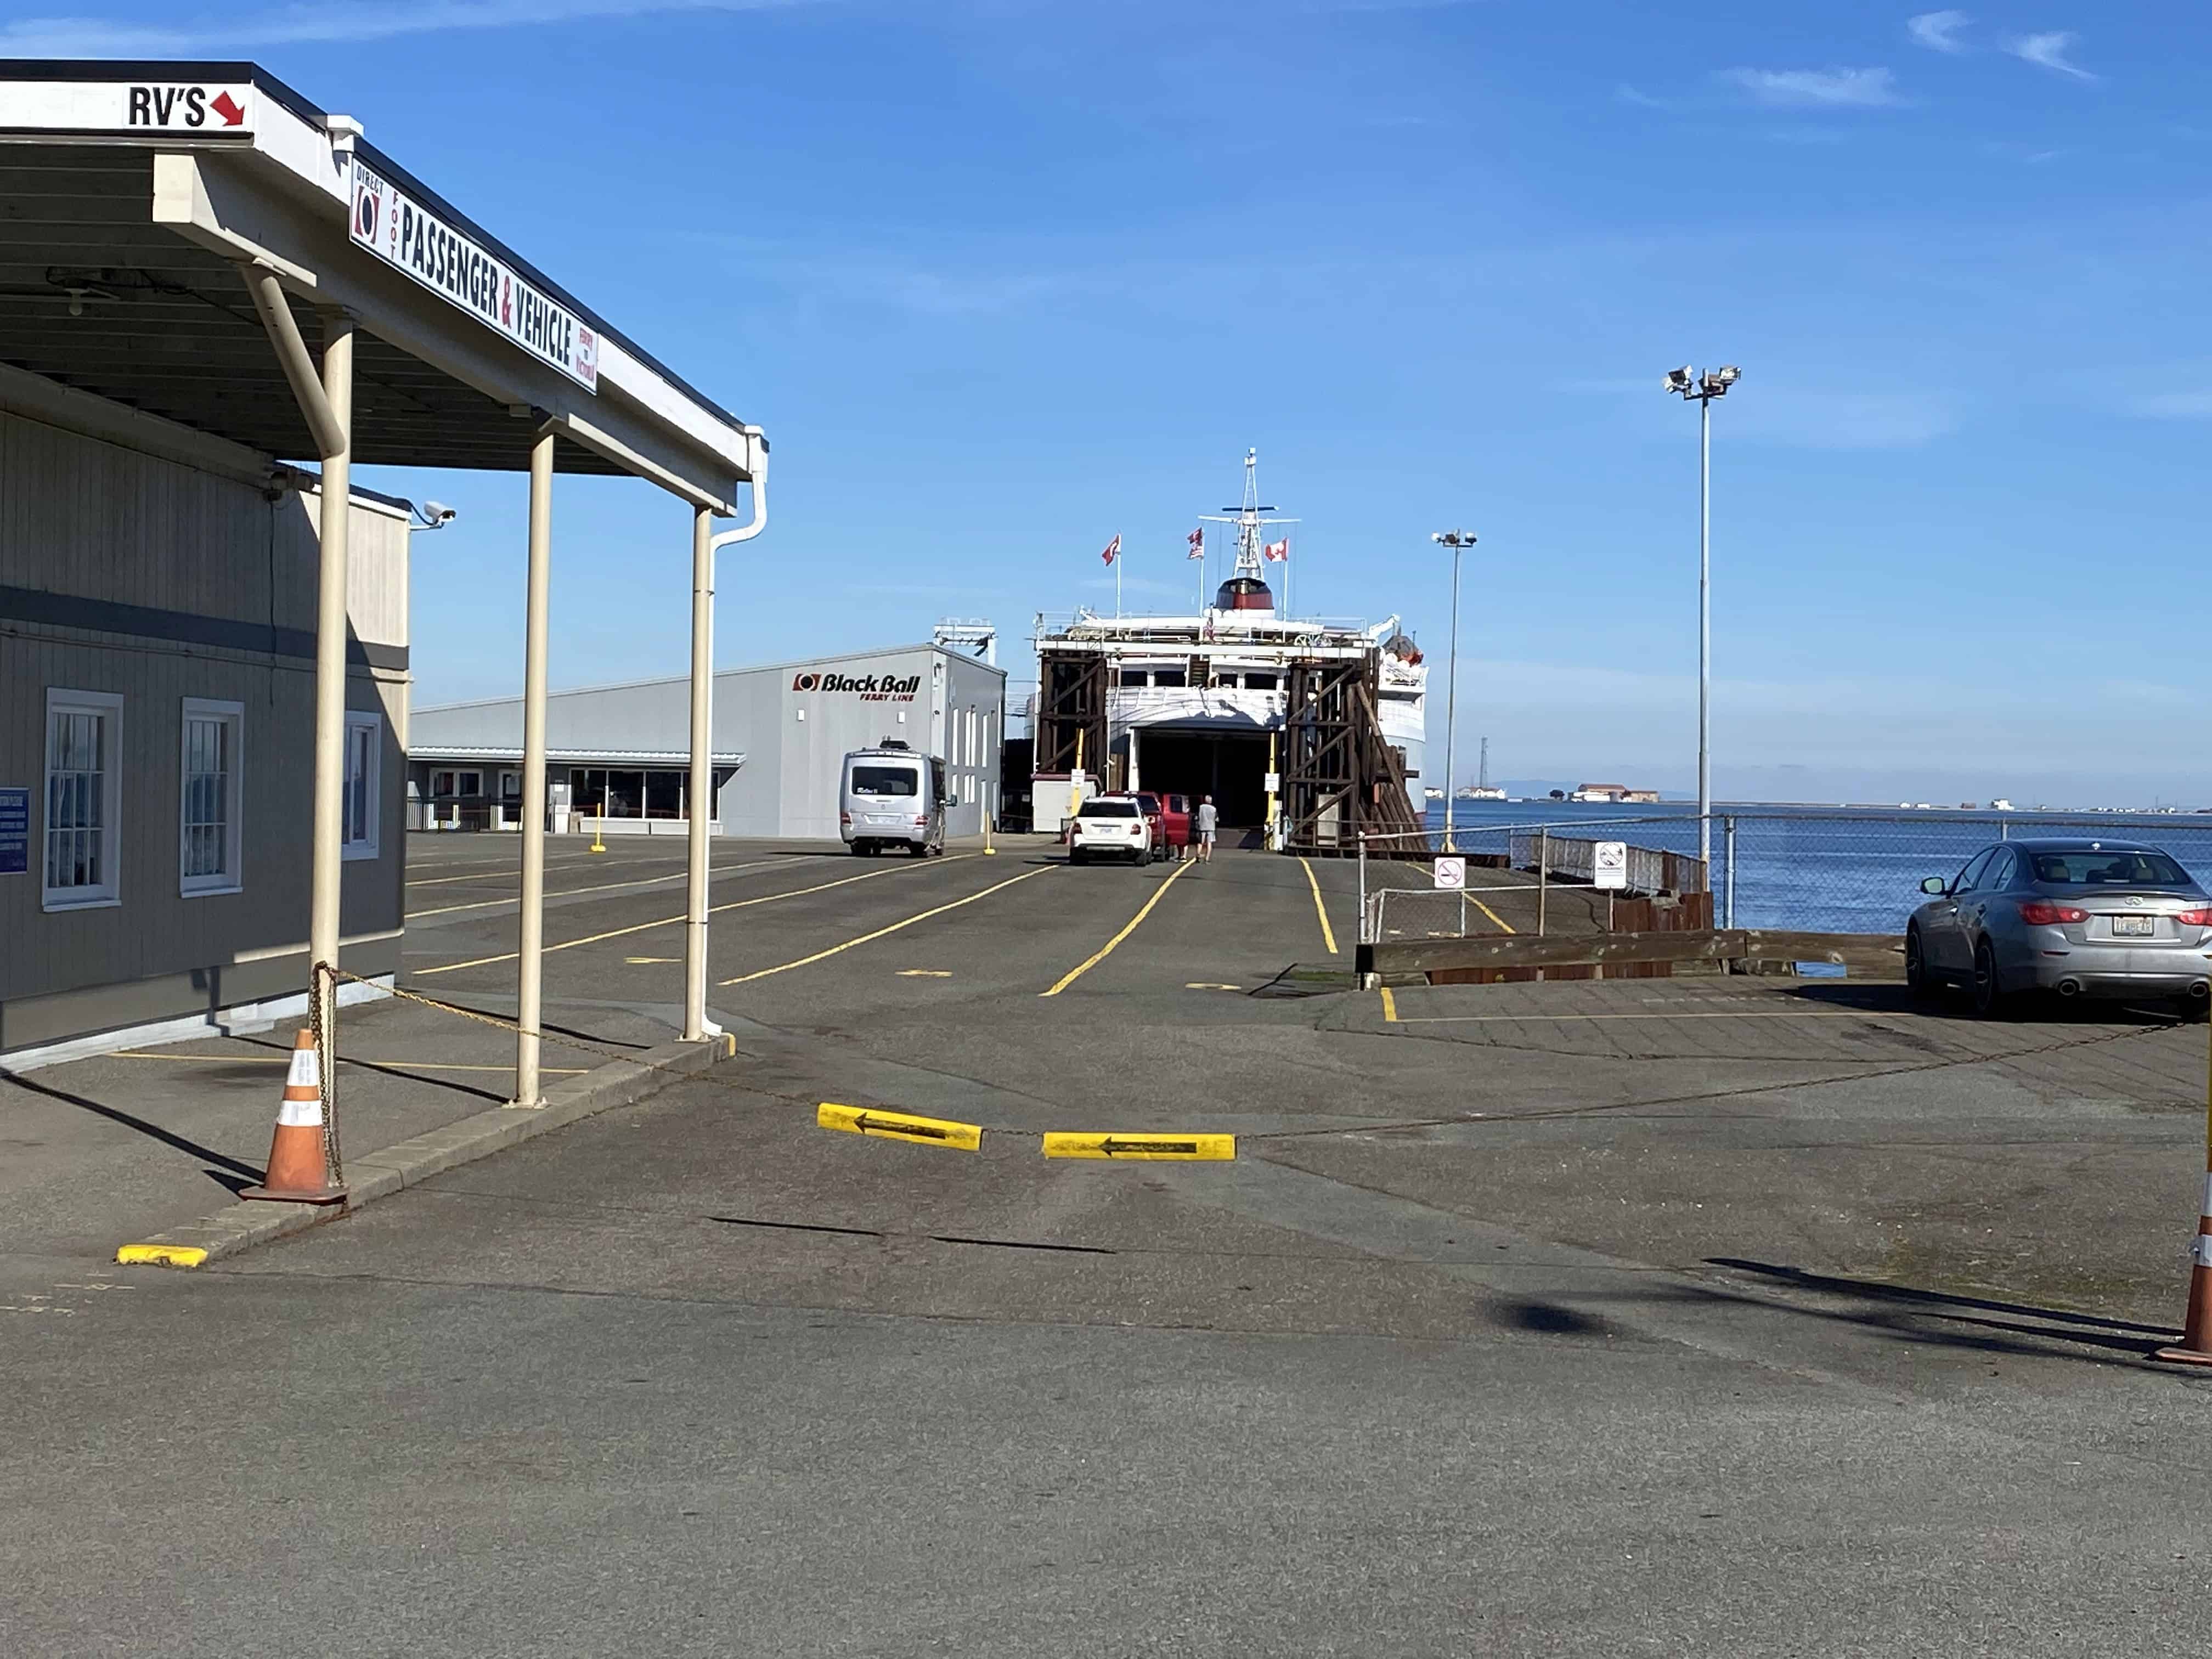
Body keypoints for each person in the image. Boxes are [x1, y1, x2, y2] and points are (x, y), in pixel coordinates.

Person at [1194, 794, 1218, 864]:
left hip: (1202, 827)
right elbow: (1216, 819)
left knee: (1200, 843)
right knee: (1209, 843)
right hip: (1211, 828)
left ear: (1205, 800)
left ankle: (1198, 856)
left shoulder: (1201, 807)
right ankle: (1207, 859)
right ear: (1211, 801)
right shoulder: (1214, 809)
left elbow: (1196, 817)